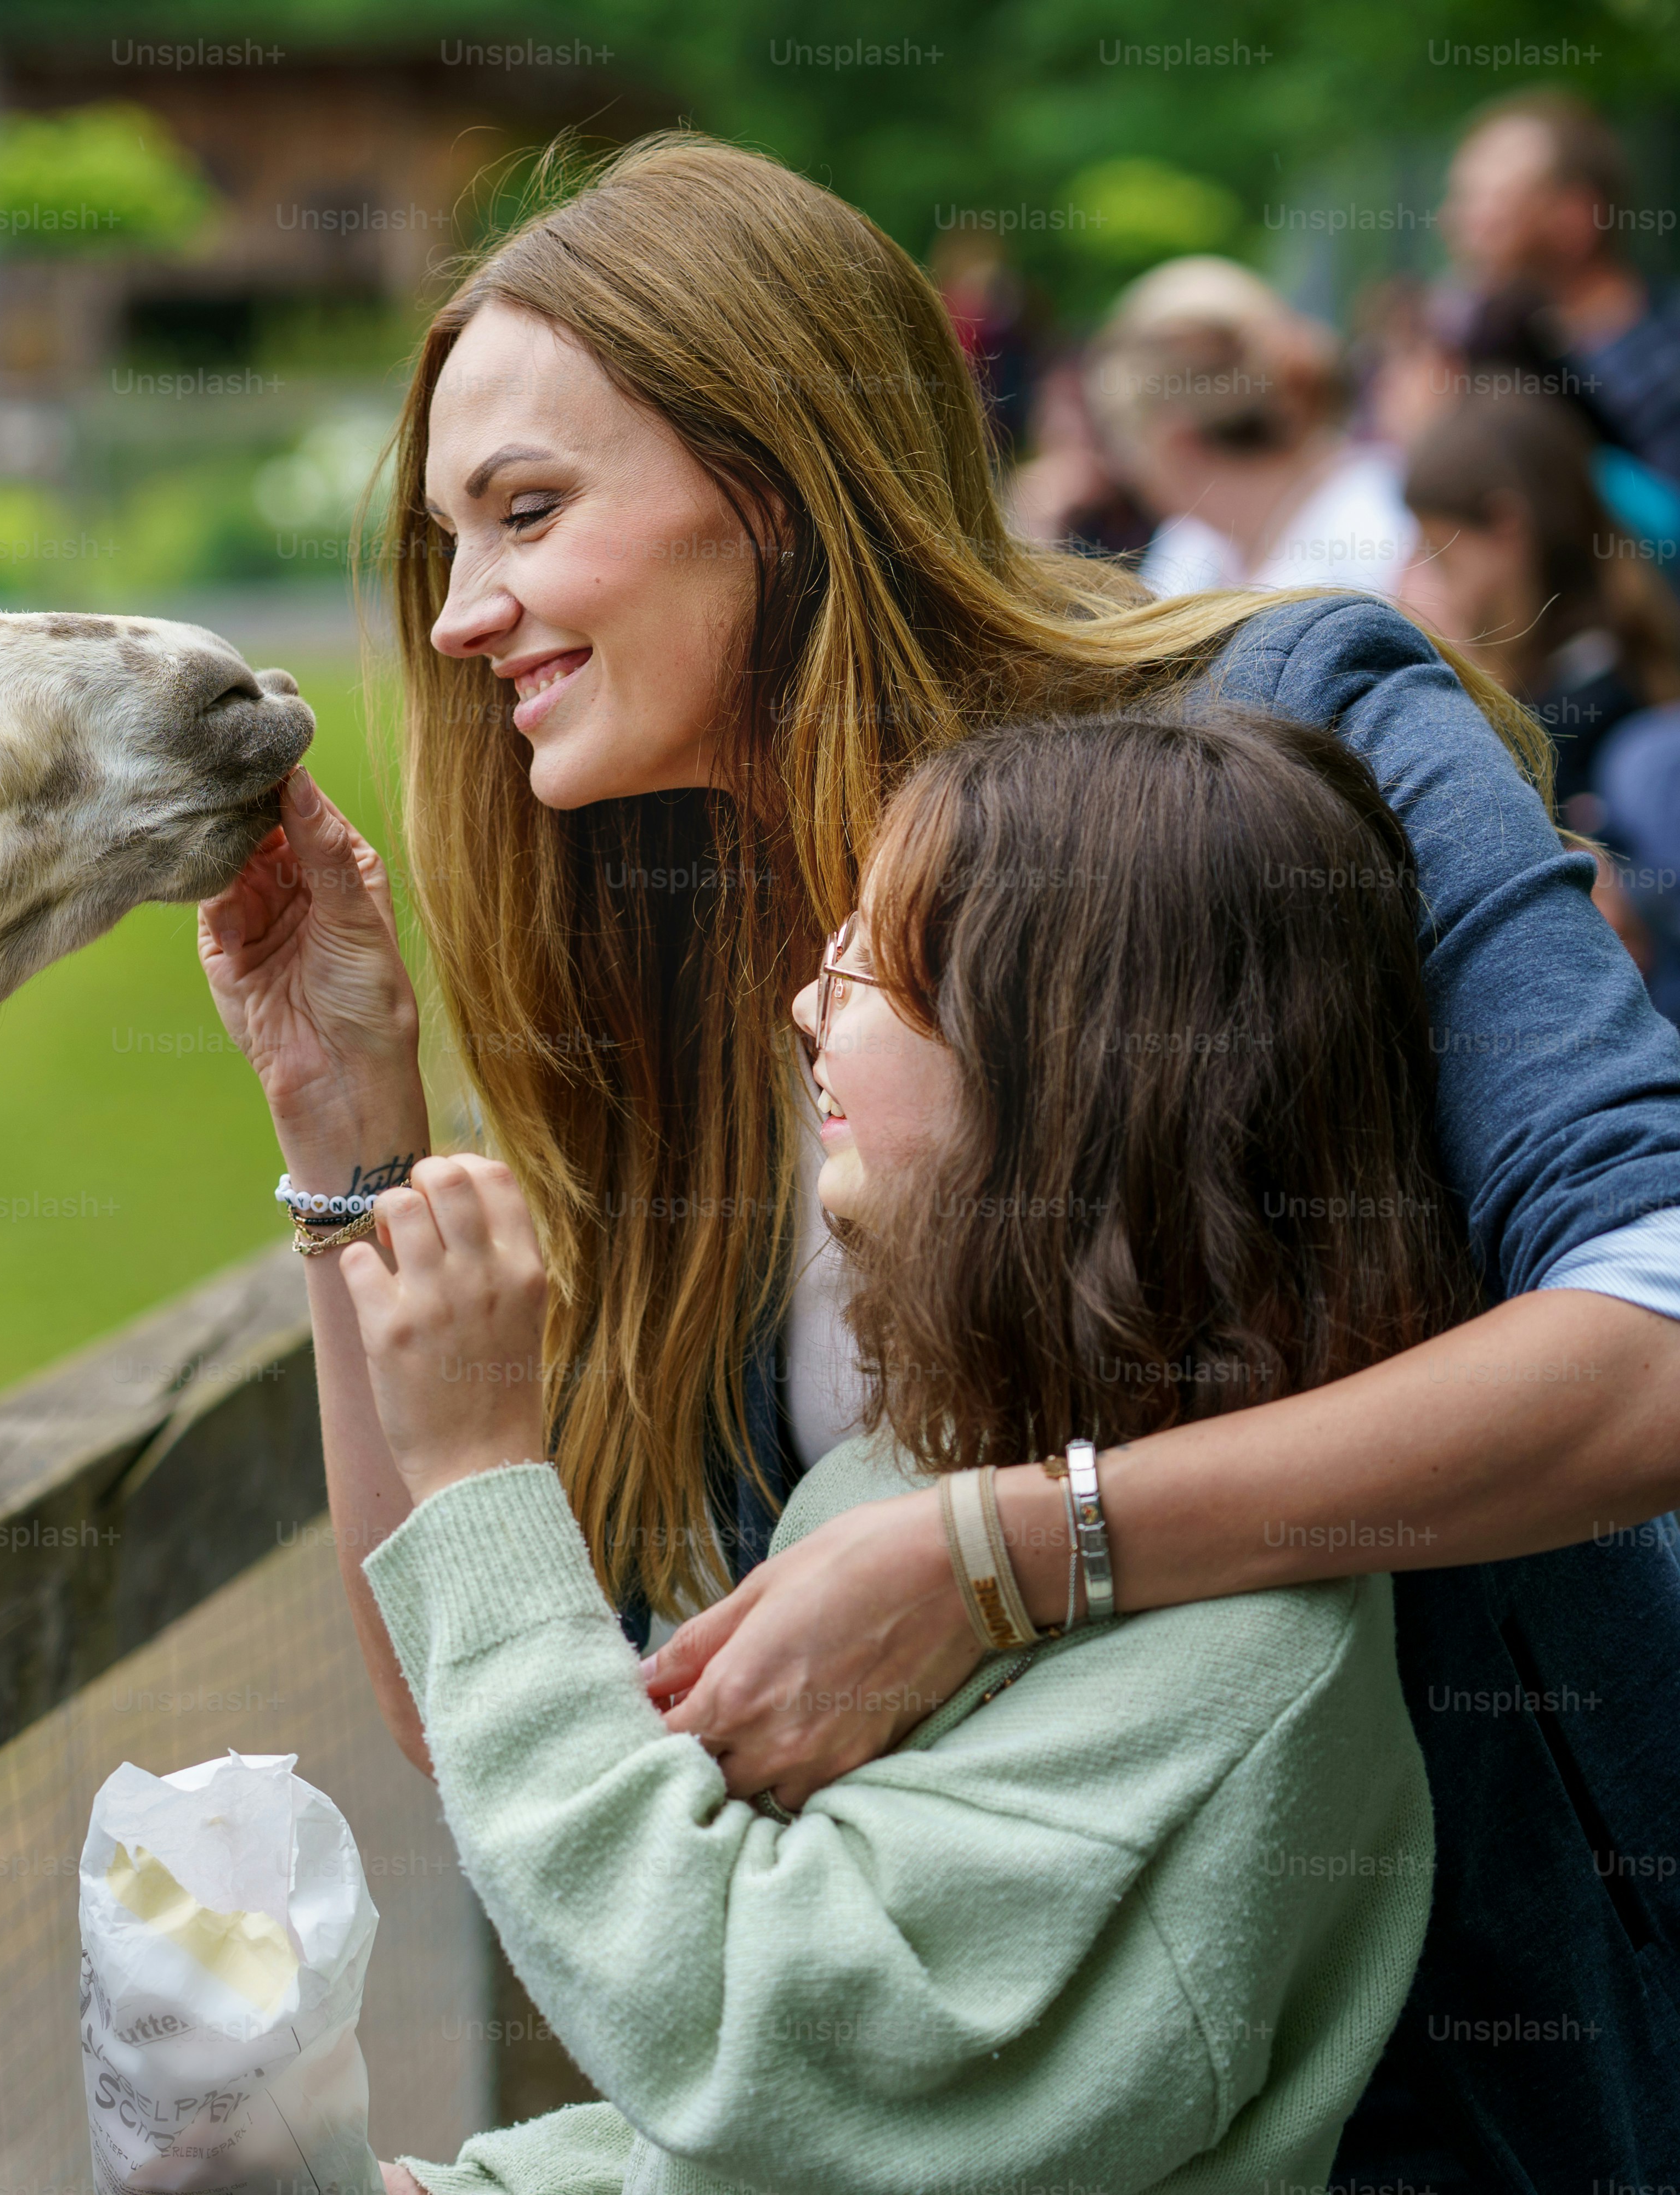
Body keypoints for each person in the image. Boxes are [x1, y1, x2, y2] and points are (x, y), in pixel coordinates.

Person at [196, 132, 1680, 2188]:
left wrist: (1007, 1546)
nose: (458, 617)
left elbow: (1656, 1331)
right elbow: (506, 1707)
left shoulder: (1283, 750)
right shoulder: (705, 996)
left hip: (1484, 2091)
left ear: (778, 492)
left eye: (527, 511)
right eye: (445, 540)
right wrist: (347, 1129)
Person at [339, 706, 1459, 2192]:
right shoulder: (917, 1470)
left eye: (869, 964)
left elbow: (750, 2028)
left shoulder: (1235, 1685)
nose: (807, 1003)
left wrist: (483, 1472)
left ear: (1071, 1058)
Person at [1394, 391, 1680, 825]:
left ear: (1506, 529)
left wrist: (1463, 681)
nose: (1426, 579)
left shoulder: (1581, 710)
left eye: (1441, 555)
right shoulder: (1604, 657)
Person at [1084, 255, 1416, 598]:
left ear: (1178, 444)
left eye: (1124, 445)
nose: (1122, 471)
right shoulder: (1194, 545)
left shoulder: (1380, 539)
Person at [1440, 88, 1680, 495]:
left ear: (1576, 218)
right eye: (1460, 203)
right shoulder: (1489, 352)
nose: (1455, 226)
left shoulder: (1665, 363)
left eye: (1491, 208)